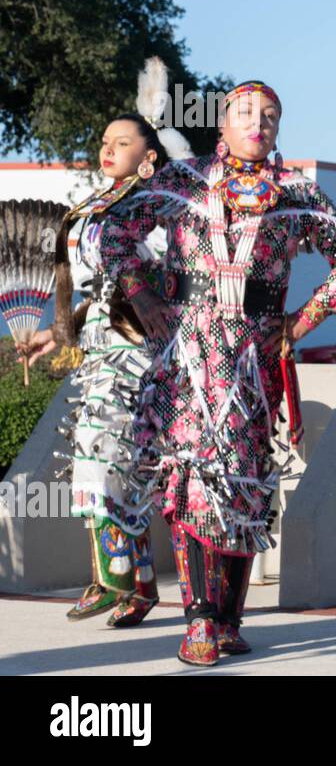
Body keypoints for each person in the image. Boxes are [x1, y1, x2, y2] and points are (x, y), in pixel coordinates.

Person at [100, 79, 336, 666]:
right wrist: (142, 297)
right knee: (193, 474)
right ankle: (198, 616)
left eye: (271, 115)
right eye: (246, 113)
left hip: (254, 357)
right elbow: (114, 229)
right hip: (187, 351)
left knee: (243, 480)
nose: (259, 123)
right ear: (222, 123)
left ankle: (227, 618)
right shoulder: (181, 180)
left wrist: (301, 323)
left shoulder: (296, 193)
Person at [18, 59, 190, 627]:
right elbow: (97, 288)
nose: (107, 148)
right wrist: (55, 331)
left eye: (123, 141)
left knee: (105, 460)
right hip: (98, 352)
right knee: (105, 463)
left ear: (149, 157)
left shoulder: (155, 206)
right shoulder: (93, 207)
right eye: (103, 141)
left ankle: (116, 580)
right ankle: (135, 583)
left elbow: (160, 276)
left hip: (138, 350)